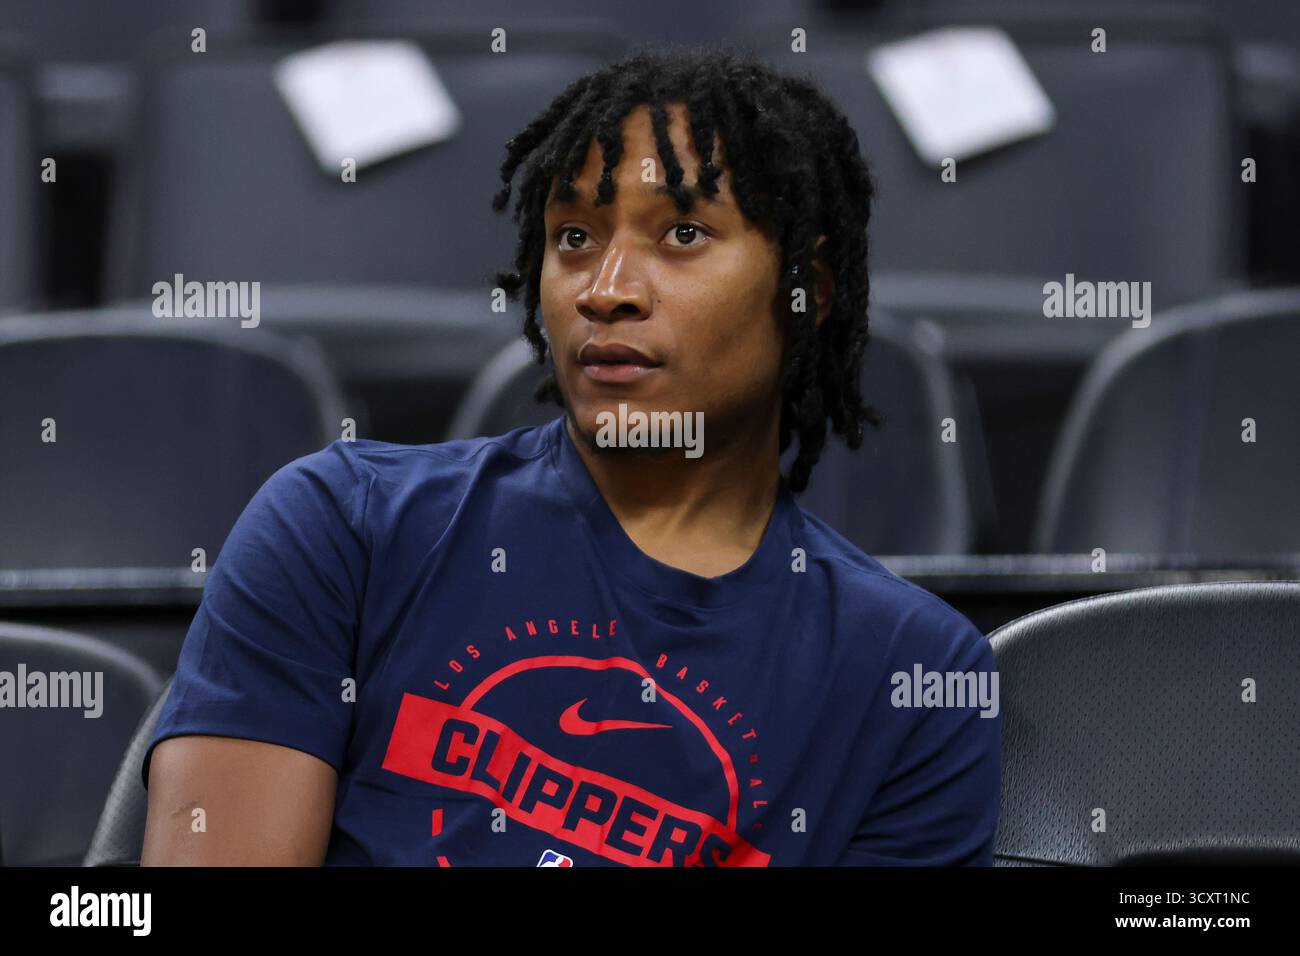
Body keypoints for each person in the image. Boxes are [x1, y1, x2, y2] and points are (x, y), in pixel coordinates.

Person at [141, 45, 1000, 866]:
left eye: (684, 235)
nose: (607, 289)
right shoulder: (343, 527)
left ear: (808, 285)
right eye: (575, 237)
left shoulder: (912, 675)